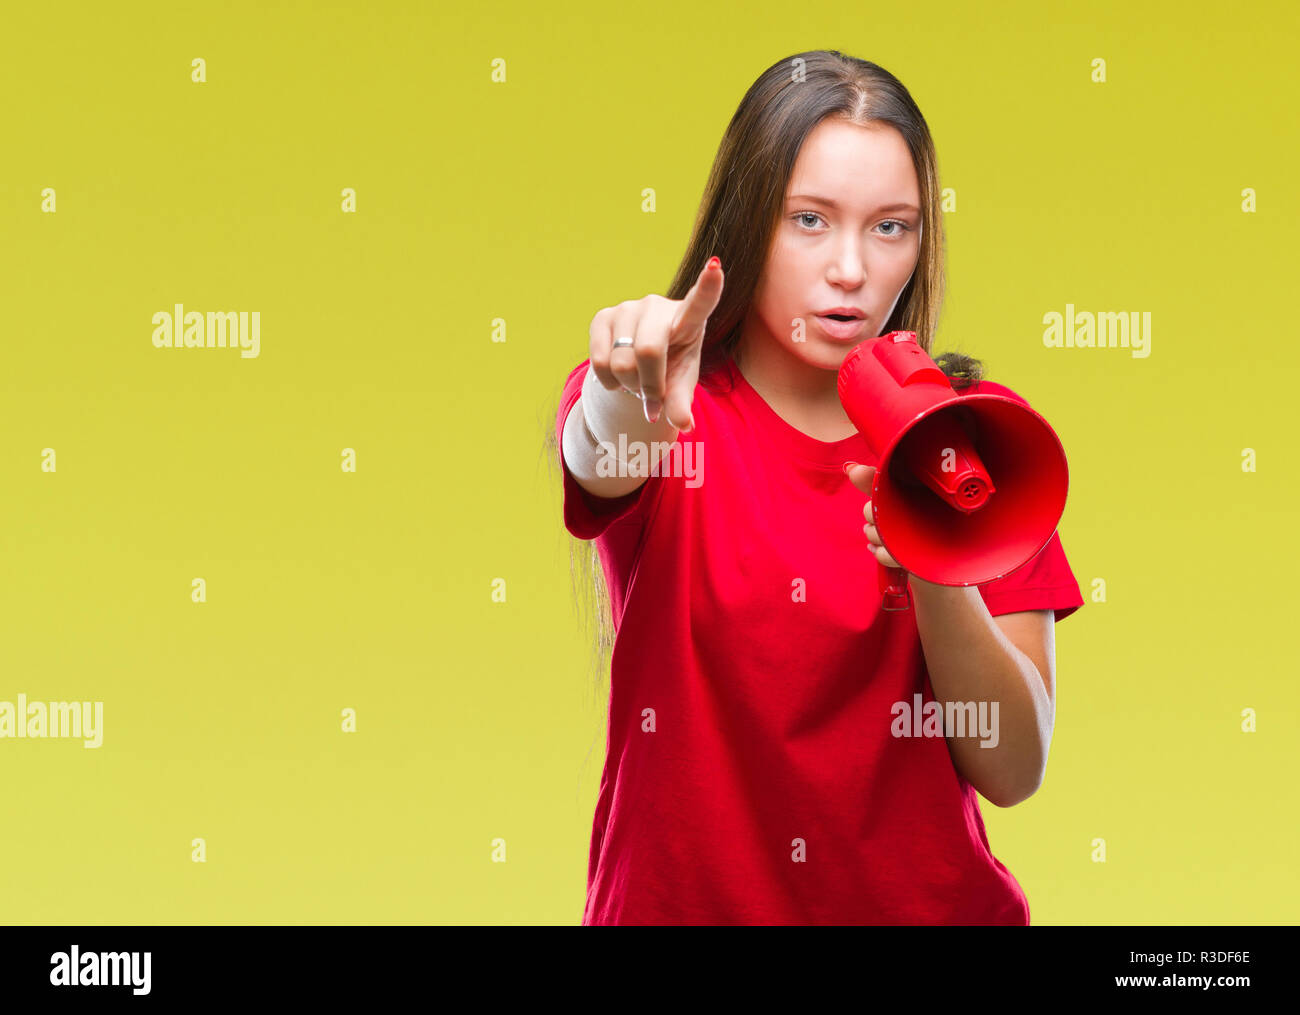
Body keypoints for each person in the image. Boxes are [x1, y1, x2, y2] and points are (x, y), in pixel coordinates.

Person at [546, 50, 1084, 925]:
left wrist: (935, 554)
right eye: (809, 220)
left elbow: (1012, 766)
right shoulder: (671, 414)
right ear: (747, 219)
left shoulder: (975, 439)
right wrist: (623, 387)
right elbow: (598, 455)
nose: (849, 269)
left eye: (890, 227)